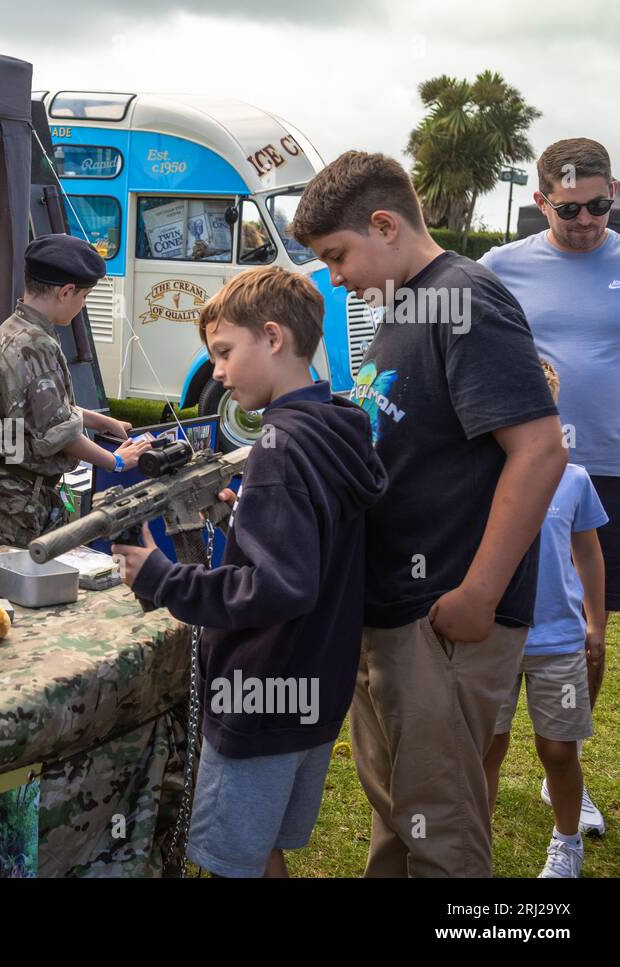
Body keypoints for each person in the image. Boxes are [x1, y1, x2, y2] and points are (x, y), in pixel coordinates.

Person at [290, 151, 567, 877]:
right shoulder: (408, 307)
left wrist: (478, 595)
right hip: (393, 611)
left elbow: (539, 451)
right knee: (399, 822)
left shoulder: (466, 295)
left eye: (338, 256)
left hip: (442, 618)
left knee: (440, 836)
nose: (338, 277)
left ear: (384, 225)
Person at [113, 266, 387, 877]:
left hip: (260, 692)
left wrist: (161, 578)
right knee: (264, 849)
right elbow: (310, 550)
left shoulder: (277, 449)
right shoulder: (337, 428)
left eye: (223, 353)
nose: (216, 372)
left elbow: (276, 587)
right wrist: (251, 521)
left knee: (235, 859)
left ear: (272, 337)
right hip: (316, 685)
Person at [479, 138, 617, 836]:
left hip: (610, 471)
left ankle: (563, 759)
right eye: (570, 209)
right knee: (520, 612)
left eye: (600, 204)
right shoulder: (500, 266)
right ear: (540, 203)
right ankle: (499, 744)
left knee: (590, 626)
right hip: (524, 469)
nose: (588, 219)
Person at [483, 360, 607, 878]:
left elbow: (589, 554)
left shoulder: (574, 479)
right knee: (488, 745)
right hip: (491, 640)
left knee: (558, 748)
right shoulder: (478, 477)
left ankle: (567, 842)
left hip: (557, 640)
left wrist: (596, 625)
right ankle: (472, 844)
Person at [0, 234, 151, 549]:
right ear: (66, 292)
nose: (82, 306)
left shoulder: (15, 327)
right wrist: (115, 461)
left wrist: (104, 423)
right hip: (17, 501)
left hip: (9, 491)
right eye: (83, 297)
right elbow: (59, 433)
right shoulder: (36, 344)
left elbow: (42, 410)